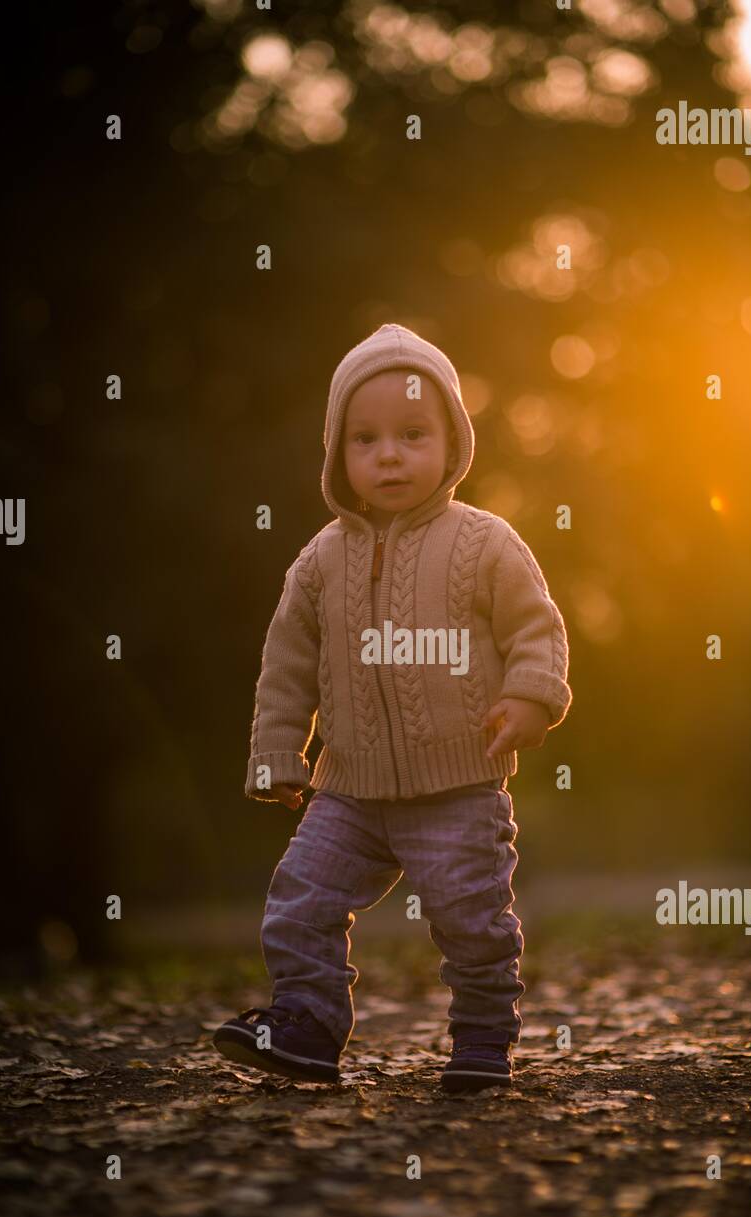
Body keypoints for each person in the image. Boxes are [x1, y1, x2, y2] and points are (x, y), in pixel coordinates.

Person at [214, 322, 572, 1093]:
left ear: (451, 443)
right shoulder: (319, 561)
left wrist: (530, 697)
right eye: (365, 439)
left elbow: (534, 628)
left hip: (458, 785)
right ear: (337, 456)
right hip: (347, 790)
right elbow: (286, 666)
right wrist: (278, 753)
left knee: (471, 922)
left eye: (412, 434)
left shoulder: (485, 543)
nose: (388, 455)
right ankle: (305, 1024)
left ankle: (481, 1039)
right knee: (299, 901)